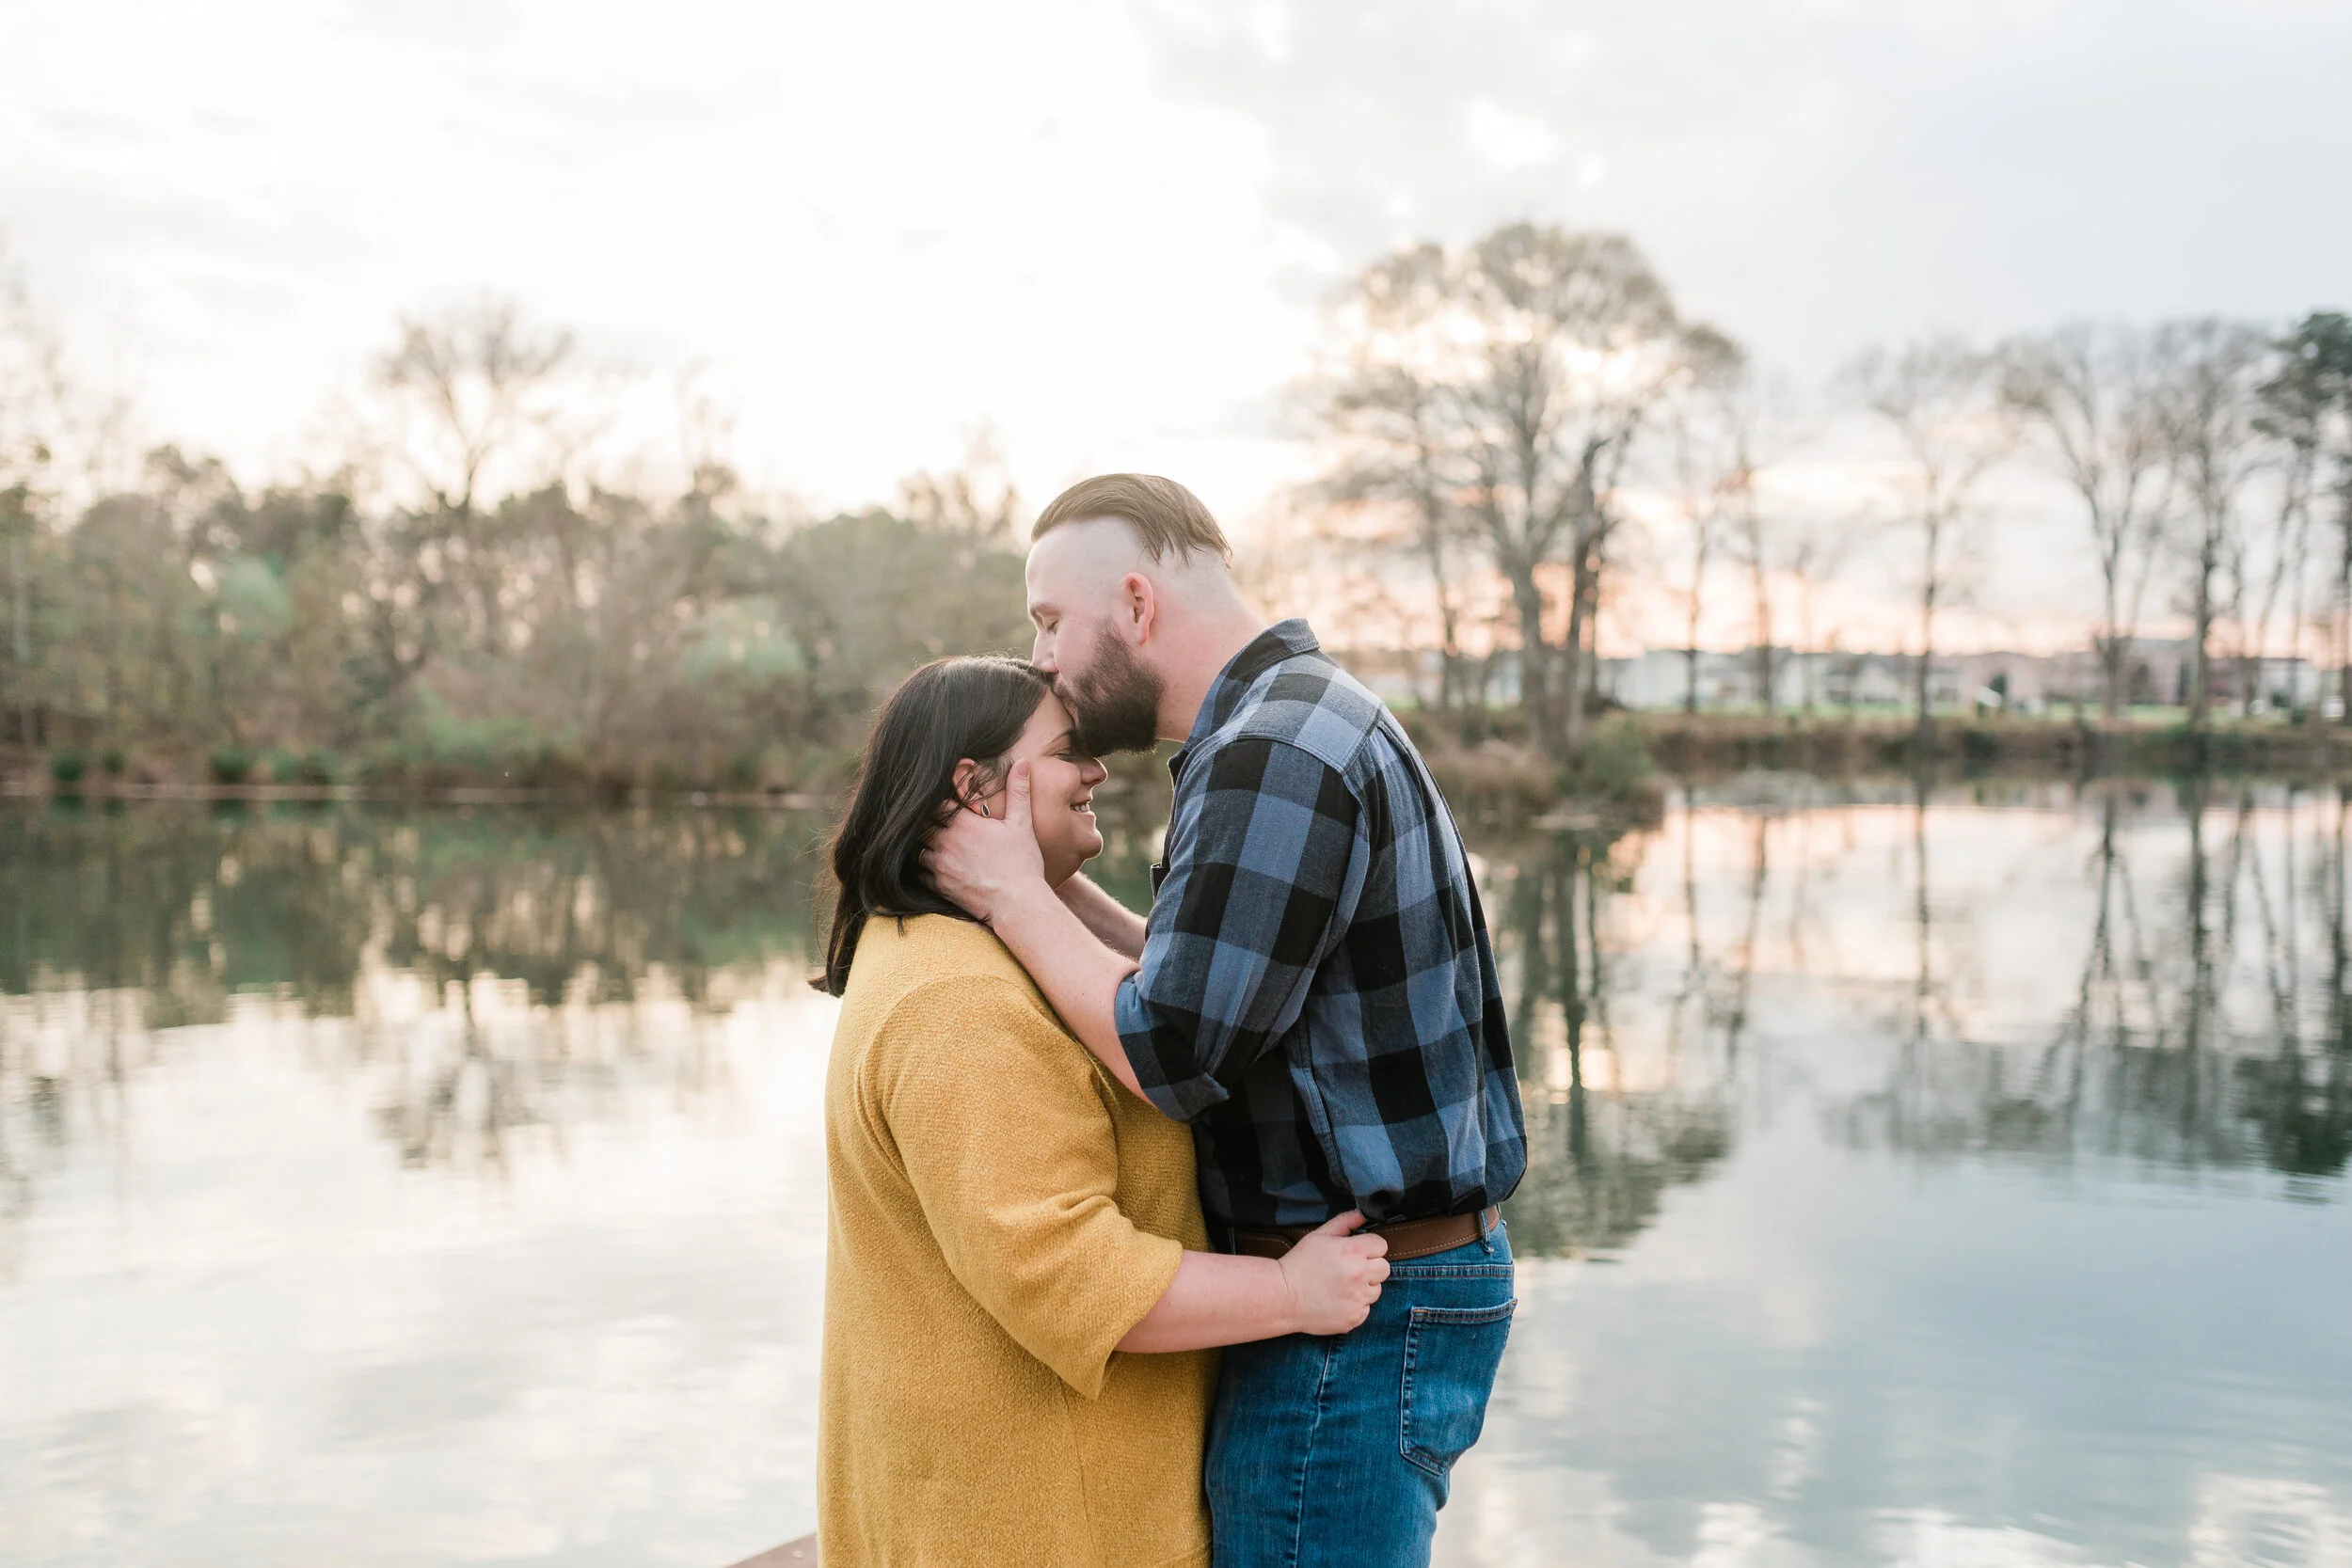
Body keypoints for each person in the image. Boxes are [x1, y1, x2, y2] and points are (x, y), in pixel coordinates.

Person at [927, 475, 1529, 1568]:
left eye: (1050, 620)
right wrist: (1046, 882)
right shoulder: (1295, 715)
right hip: (1386, 1285)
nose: (1045, 657)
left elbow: (1173, 1049)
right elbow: (1200, 980)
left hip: (1357, 1307)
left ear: (1137, 604)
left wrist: (1011, 895)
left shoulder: (1272, 752)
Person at [814, 655, 1391, 1568]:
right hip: (1043, 1523)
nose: (1097, 770)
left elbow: (1160, 1008)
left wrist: (1032, 886)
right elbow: (1064, 1268)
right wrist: (1289, 1293)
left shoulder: (952, 945)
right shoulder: (961, 1004)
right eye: (1068, 749)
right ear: (976, 787)